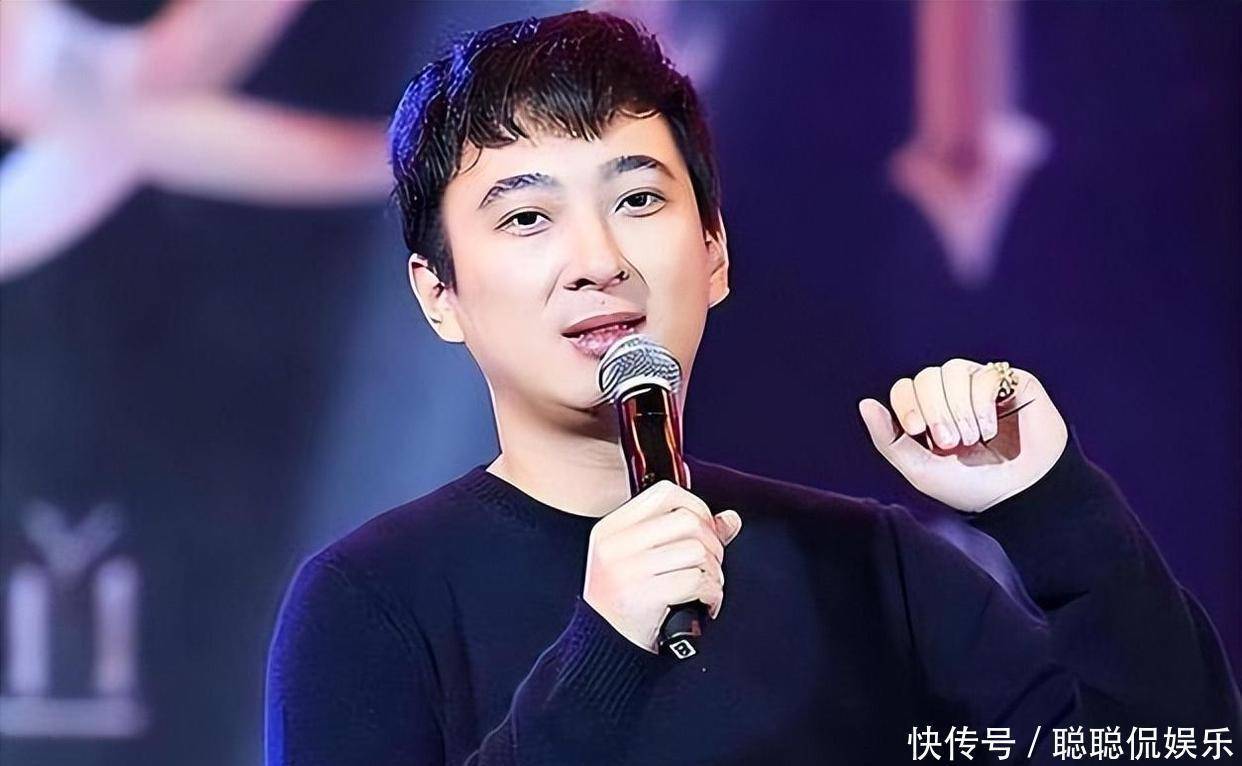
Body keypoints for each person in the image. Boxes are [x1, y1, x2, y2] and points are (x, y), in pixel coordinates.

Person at [264, 10, 1239, 765]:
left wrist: (1054, 507)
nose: (598, 260)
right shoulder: (372, 600)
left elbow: (1173, 747)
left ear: (715, 253)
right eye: (527, 218)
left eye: (637, 199)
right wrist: (602, 657)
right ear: (438, 295)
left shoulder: (872, 568)